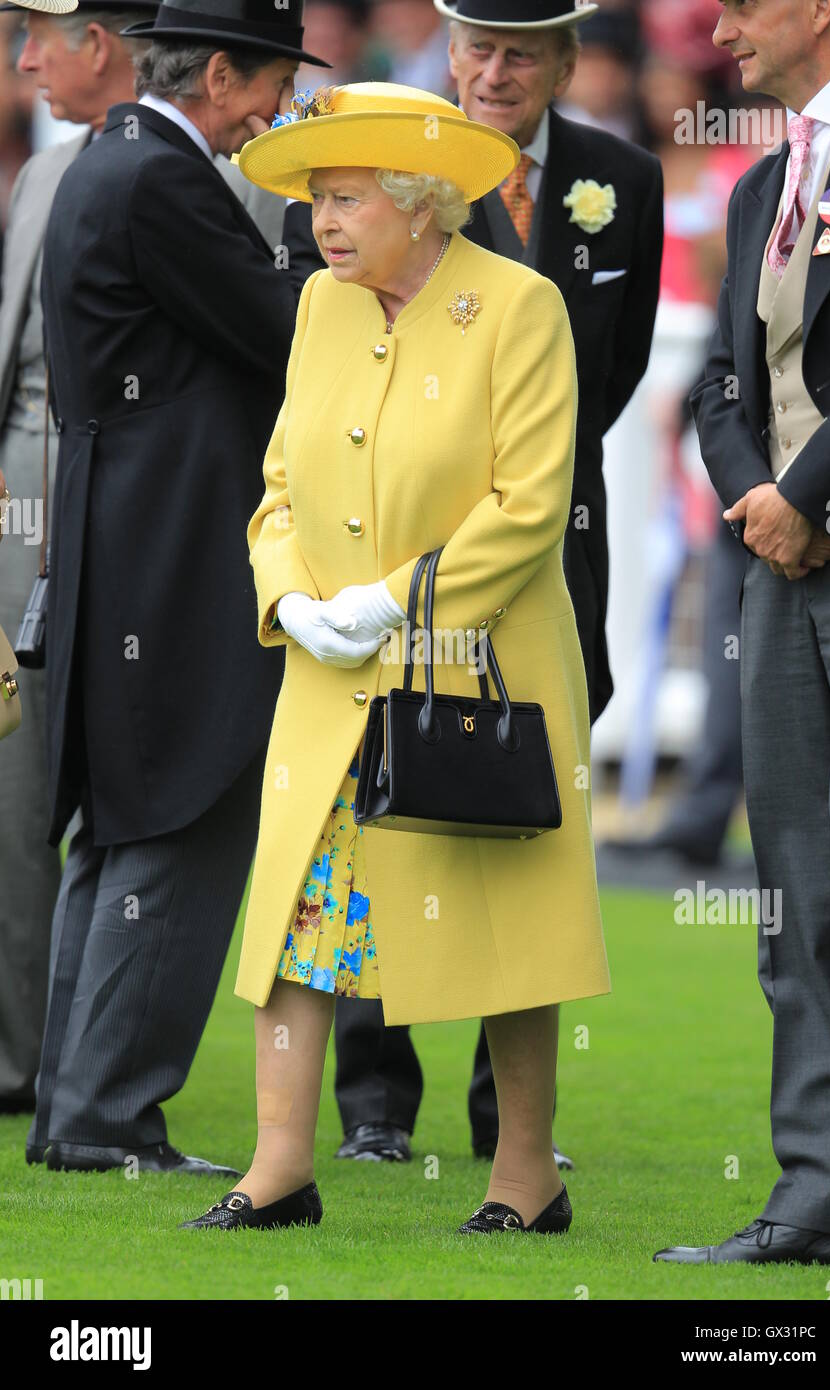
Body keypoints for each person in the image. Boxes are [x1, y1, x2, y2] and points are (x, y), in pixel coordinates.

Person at [180, 80, 610, 1234]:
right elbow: (275, 487)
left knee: (499, 931)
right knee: (300, 922)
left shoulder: (517, 306)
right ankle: (278, 1168)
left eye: (347, 196)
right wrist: (292, 600)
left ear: (422, 201)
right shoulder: (321, 306)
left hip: (474, 672)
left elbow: (528, 508)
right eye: (318, 199)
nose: (323, 220)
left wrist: (392, 602)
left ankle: (526, 1176)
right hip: (329, 680)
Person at [283, 0, 662, 1169]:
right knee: (366, 808)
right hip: (377, 554)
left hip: (544, 551)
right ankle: (375, 1107)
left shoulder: (618, 179)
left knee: (505, 822)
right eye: (476, 50)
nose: (493, 72)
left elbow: (616, 370)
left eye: (519, 54)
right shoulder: (389, 169)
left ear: (563, 62)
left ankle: (511, 1139)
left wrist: (500, 522)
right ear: (448, 56)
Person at [28, 0, 328, 1179]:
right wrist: (325, 217)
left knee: (120, 831)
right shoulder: (161, 176)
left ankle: (81, 1109)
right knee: (182, 818)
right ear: (214, 71)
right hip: (173, 552)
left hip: (128, 540)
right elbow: (286, 330)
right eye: (269, 88)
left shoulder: (114, 160)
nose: (278, 113)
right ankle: (104, 1116)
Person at [655, 0, 830, 1265]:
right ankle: (818, 1196)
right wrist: (762, 501)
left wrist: (814, 492)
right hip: (778, 568)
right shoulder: (757, 187)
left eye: (740, 3)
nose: (719, 26)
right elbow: (720, 383)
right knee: (798, 894)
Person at [0, 1, 156, 1116]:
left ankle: (85, 1078)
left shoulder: (212, 174)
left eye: (34, 35)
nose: (21, 61)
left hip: (144, 535)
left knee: (130, 811)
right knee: (11, 804)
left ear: (95, 40)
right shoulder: (41, 178)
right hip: (18, 527)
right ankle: (20, 1065)